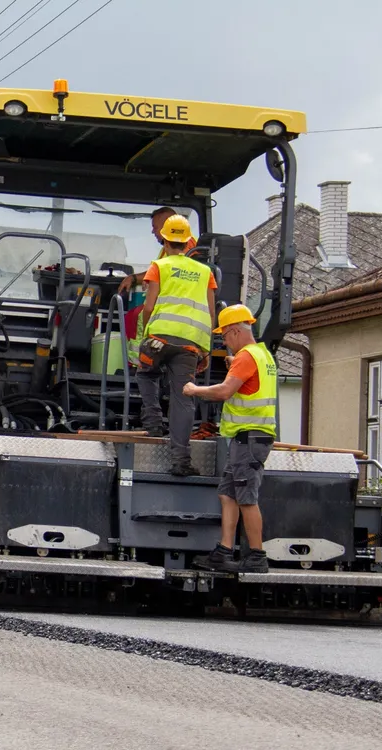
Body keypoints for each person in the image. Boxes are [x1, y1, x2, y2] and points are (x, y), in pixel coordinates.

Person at [184, 304, 278, 573]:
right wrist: (234, 366)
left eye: (224, 336)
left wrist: (194, 389)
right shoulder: (262, 355)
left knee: (247, 497)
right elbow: (248, 383)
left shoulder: (246, 357)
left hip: (250, 438)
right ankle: (224, 551)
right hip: (245, 437)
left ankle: (257, 556)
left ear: (236, 331)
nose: (224, 341)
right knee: (228, 494)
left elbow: (225, 391)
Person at [136, 214, 217, 477]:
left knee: (146, 373)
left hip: (159, 339)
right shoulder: (206, 272)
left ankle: (153, 423)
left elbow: (148, 305)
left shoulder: (159, 266)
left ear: (166, 238)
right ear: (187, 240)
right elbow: (212, 312)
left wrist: (147, 332)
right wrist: (205, 348)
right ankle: (181, 461)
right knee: (184, 399)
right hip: (191, 345)